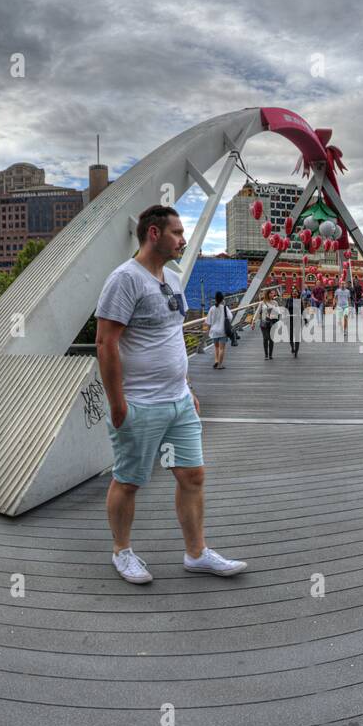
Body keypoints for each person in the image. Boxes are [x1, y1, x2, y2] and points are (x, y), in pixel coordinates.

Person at [96, 203, 246, 585]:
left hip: (178, 401)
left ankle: (196, 553)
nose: (183, 239)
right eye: (177, 233)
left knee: (193, 476)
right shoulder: (124, 279)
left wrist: (188, 387)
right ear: (154, 234)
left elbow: (172, 339)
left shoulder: (173, 279)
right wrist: (117, 404)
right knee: (128, 480)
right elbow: (106, 342)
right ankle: (122, 552)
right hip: (140, 402)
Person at [208, 293, 235, 371]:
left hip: (214, 331)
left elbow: (209, 321)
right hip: (222, 331)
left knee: (216, 347)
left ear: (215, 299)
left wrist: (208, 330)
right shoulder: (225, 308)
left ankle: (216, 361)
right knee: (221, 349)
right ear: (222, 299)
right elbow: (230, 317)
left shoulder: (212, 309)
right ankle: (219, 365)